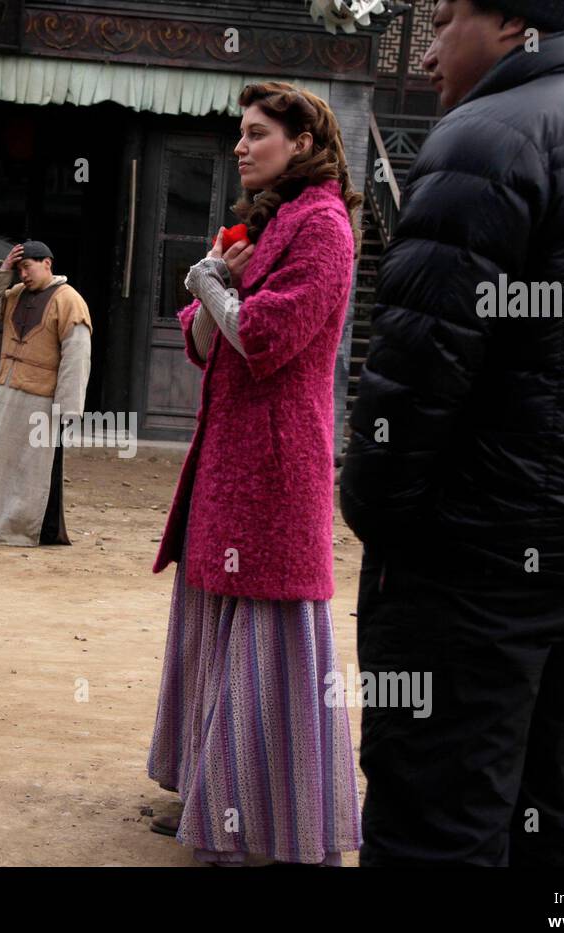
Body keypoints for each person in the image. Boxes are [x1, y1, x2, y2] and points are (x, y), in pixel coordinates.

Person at [340, 0, 564, 865]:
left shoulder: (483, 136)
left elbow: (418, 370)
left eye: (445, 20)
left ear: (509, 25)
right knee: (553, 805)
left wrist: (377, 514)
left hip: (473, 558)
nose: (426, 54)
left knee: (437, 817)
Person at [147, 83, 363, 866]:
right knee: (218, 625)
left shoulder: (325, 227)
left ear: (303, 142)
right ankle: (214, 795)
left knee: (267, 635)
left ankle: (270, 820)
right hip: (234, 458)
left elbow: (265, 338)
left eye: (257, 133)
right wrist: (214, 280)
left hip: (275, 465)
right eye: (241, 134)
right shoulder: (274, 221)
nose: (241, 146)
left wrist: (208, 282)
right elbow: (206, 344)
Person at [0, 240, 92, 545]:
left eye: (28, 266)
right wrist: (2, 270)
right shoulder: (16, 294)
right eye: (19, 268)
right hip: (7, 391)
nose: (23, 274)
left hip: (41, 398)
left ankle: (23, 530)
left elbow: (77, 356)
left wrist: (68, 408)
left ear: (47, 263)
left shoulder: (69, 300)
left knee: (31, 469)